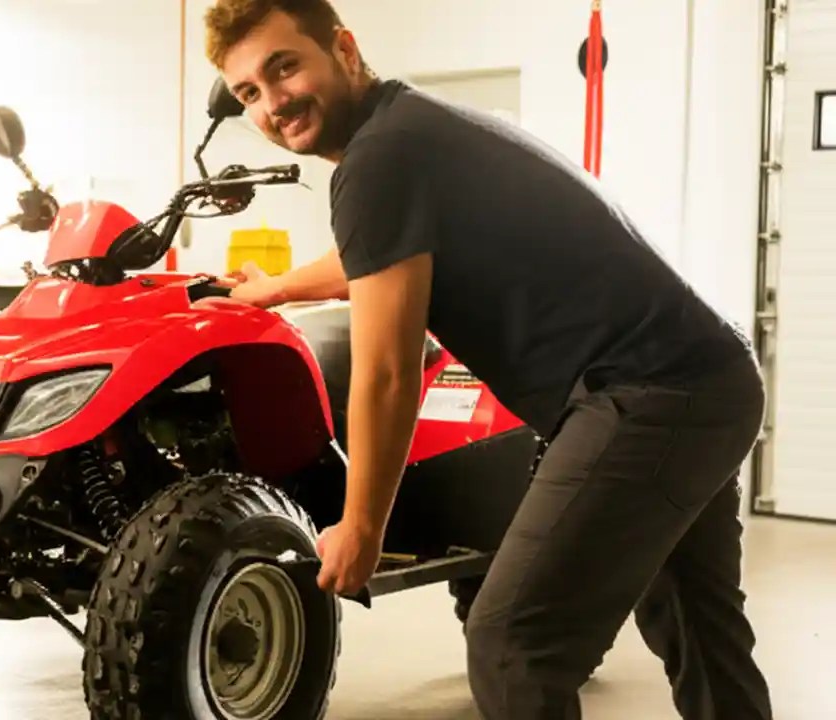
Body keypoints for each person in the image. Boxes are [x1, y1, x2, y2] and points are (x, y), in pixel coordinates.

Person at [202, 1, 773, 718]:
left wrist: (362, 526)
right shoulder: (412, 129)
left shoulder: (379, 159)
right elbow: (377, 257)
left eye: (284, 67)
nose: (272, 103)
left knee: (511, 642)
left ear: (343, 49)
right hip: (710, 377)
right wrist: (277, 288)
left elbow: (386, 371)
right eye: (249, 91)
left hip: (649, 393)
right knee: (698, 624)